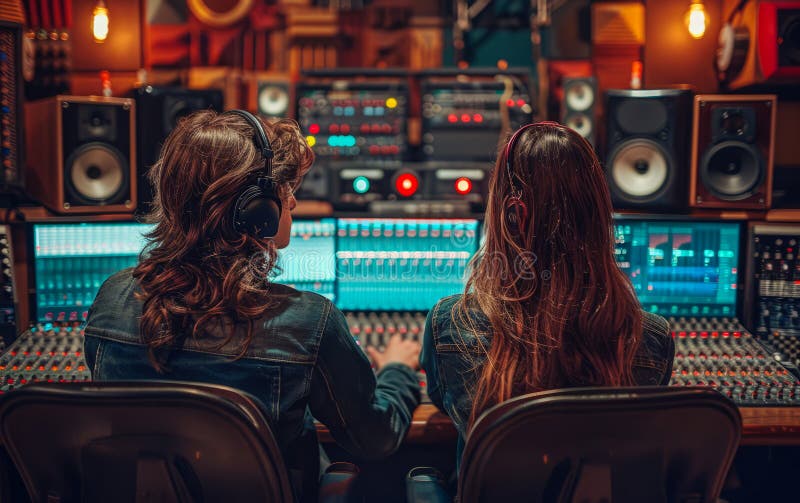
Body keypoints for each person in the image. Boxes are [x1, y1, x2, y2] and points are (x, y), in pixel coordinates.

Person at [83, 110, 421, 501]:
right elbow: (373, 438)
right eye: (285, 188)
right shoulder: (308, 323)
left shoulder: (112, 298)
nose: (292, 199)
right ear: (257, 209)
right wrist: (398, 371)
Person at [420, 121, 674, 468]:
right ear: (599, 213)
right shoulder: (651, 338)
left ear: (510, 216)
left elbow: (441, 396)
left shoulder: (451, 324)